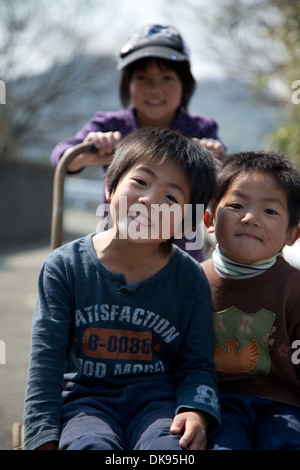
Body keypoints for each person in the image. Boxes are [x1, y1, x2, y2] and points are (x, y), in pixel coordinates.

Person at [24, 128, 220, 451]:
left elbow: (197, 364)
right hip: (85, 402)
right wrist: (42, 436)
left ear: (187, 222)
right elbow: (46, 365)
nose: (149, 200)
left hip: (161, 404)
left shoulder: (190, 278)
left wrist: (196, 409)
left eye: (171, 197)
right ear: (110, 188)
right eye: (140, 182)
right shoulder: (64, 268)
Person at [50, 23, 225, 262]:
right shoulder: (111, 125)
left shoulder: (201, 129)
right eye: (142, 78)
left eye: (166, 78)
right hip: (118, 251)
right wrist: (91, 151)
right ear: (127, 85)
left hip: (181, 255)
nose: (154, 89)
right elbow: (62, 157)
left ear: (184, 85)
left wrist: (214, 156)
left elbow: (224, 178)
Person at [201, 150, 300, 450]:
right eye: (236, 205)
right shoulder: (191, 282)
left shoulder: (295, 288)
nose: (250, 218)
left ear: (292, 233)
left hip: (283, 403)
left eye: (270, 211)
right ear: (209, 219)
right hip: (213, 402)